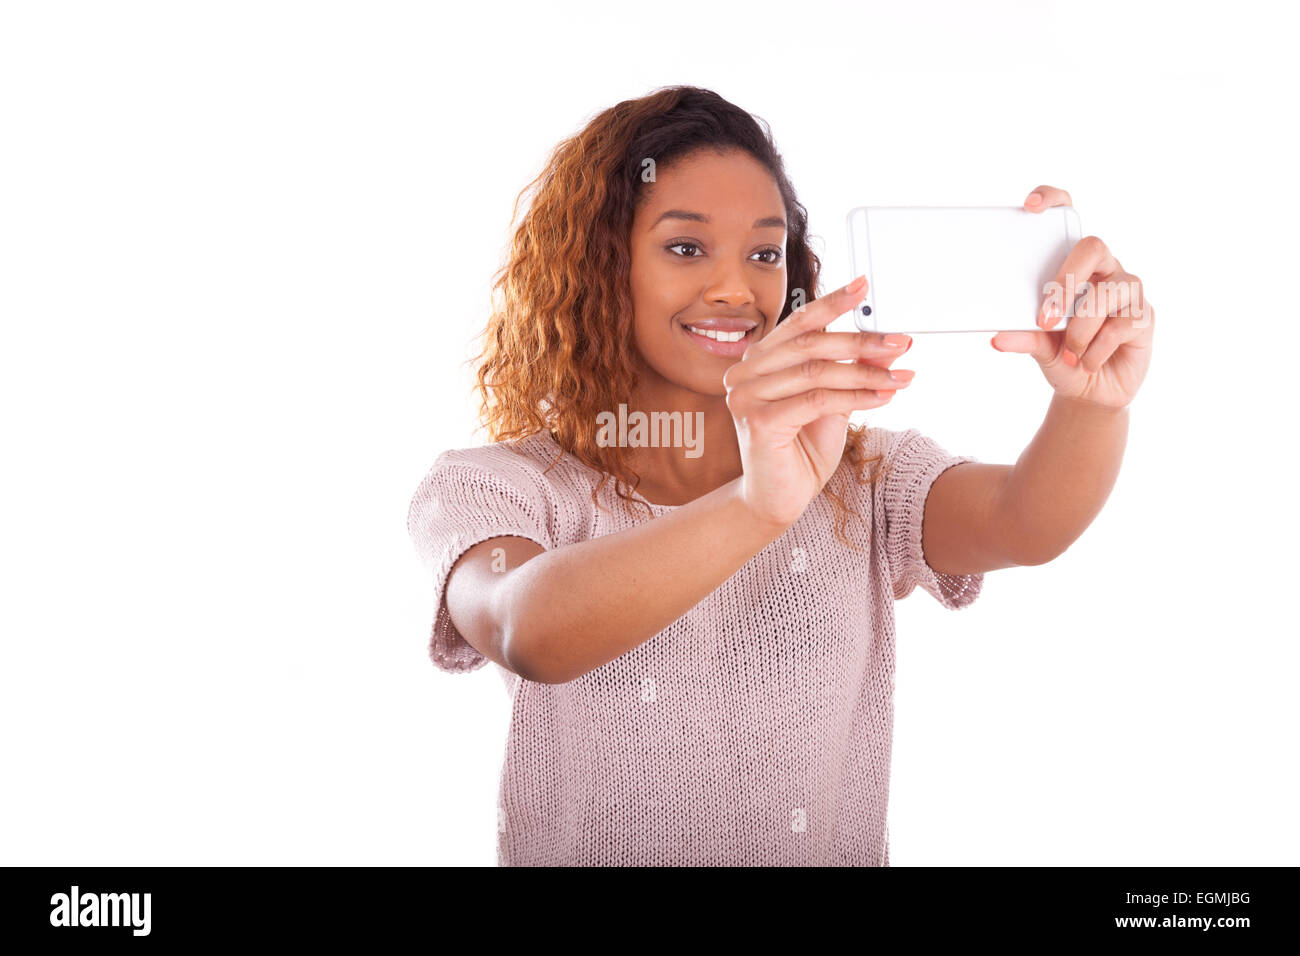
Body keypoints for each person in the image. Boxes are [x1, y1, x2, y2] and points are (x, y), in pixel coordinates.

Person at [407, 85, 1153, 866]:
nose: (737, 289)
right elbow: (528, 629)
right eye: (686, 247)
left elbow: (1022, 522)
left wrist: (1092, 406)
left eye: (765, 253)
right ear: (598, 264)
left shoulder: (853, 475)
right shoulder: (495, 488)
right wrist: (758, 507)